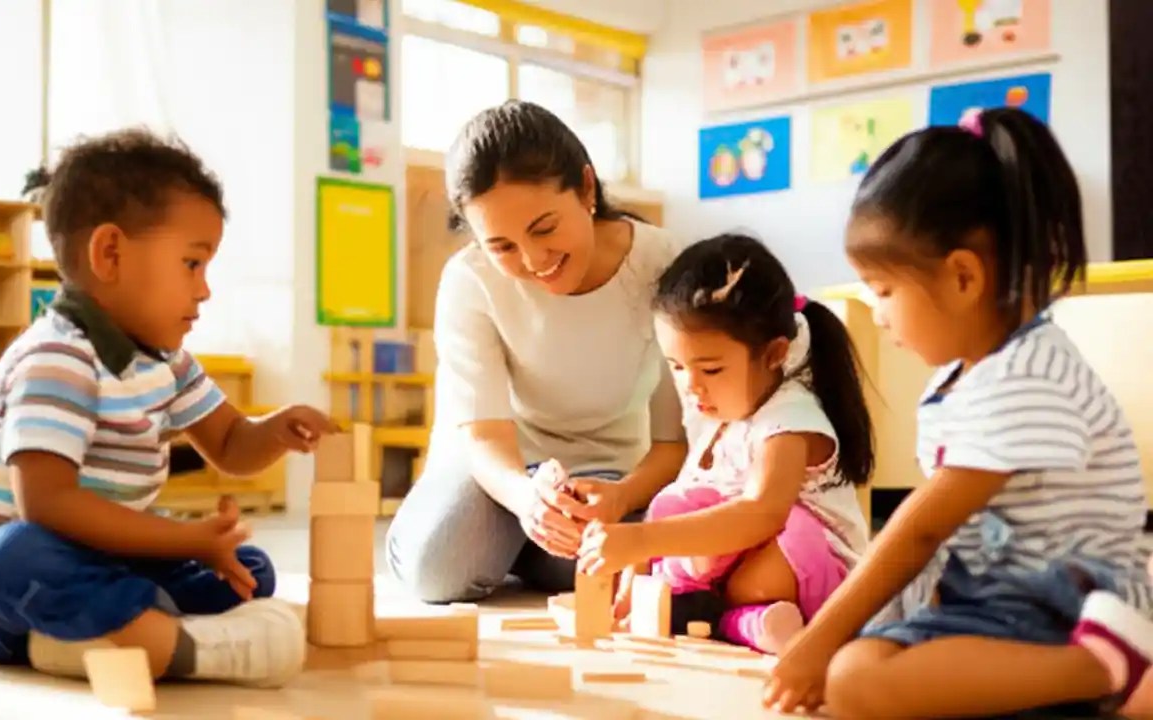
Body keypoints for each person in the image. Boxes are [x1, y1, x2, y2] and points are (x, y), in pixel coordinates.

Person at [765, 108, 1153, 718]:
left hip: (1063, 605)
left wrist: (823, 637)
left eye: (885, 290)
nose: (878, 310)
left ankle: (1103, 666)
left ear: (963, 277)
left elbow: (920, 529)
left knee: (853, 682)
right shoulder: (969, 373)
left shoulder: (1026, 377)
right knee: (862, 672)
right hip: (997, 597)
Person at [0, 129, 336, 688]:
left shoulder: (166, 362)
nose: (205, 291)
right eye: (192, 265)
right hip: (5, 590)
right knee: (16, 558)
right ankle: (184, 650)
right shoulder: (57, 360)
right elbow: (47, 505)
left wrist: (274, 431)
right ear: (110, 254)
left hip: (106, 559)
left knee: (249, 570)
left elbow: (229, 445)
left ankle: (96, 637)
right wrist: (187, 539)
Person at [385, 101, 689, 603]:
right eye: (501, 246)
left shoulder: (663, 264)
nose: (533, 260)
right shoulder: (469, 282)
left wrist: (621, 497)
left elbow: (672, 445)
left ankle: (526, 551)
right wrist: (528, 500)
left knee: (656, 572)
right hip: (496, 479)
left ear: (587, 189)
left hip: (613, 480)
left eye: (544, 229)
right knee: (437, 570)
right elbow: (485, 441)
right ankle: (511, 541)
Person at [577, 234, 873, 655]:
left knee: (771, 552)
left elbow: (762, 513)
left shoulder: (790, 419)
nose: (691, 385)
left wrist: (645, 541)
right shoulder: (713, 407)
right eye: (676, 367)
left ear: (774, 354)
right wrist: (635, 566)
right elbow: (681, 497)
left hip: (809, 567)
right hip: (744, 567)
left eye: (711, 369)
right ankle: (747, 624)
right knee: (671, 505)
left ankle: (715, 613)